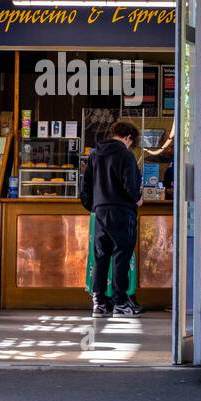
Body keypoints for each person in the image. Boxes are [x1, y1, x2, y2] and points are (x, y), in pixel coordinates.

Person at [80, 119, 143, 317]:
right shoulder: (126, 155)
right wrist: (137, 199)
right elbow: (131, 187)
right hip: (122, 212)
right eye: (132, 143)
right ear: (128, 138)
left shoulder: (95, 155)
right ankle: (121, 304)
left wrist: (94, 206)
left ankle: (99, 303)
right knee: (120, 257)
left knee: (101, 257)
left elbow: (85, 188)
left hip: (99, 213)